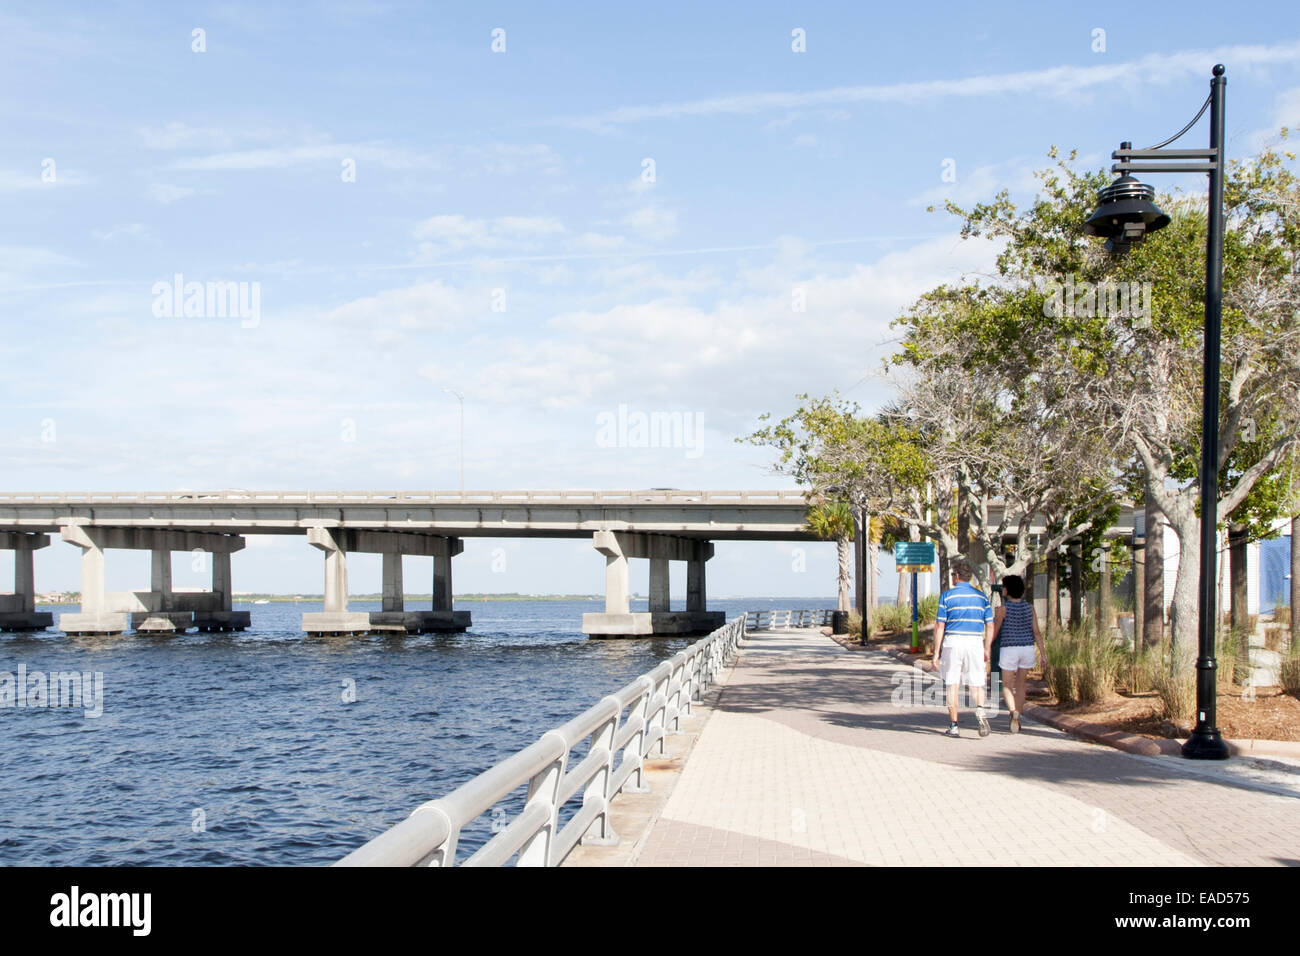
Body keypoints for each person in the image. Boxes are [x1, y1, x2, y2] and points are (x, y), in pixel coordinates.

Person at [931, 558, 994, 737]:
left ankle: (954, 725)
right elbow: (990, 625)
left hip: (953, 642)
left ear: (957, 576)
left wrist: (936, 653)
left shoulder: (947, 597)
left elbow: (940, 626)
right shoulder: (982, 597)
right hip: (974, 642)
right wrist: (986, 648)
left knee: (952, 684)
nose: (952, 577)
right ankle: (980, 710)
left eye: (953, 574)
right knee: (976, 682)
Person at [993, 574, 1046, 733]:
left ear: (1006, 590)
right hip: (1027, 648)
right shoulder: (1029, 608)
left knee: (1007, 686)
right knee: (1021, 685)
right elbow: (1036, 632)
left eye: (1003, 587)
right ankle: (1018, 716)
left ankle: (1012, 712)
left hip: (1009, 648)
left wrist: (986, 644)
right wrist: (1043, 654)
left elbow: (996, 629)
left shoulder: (1003, 609)